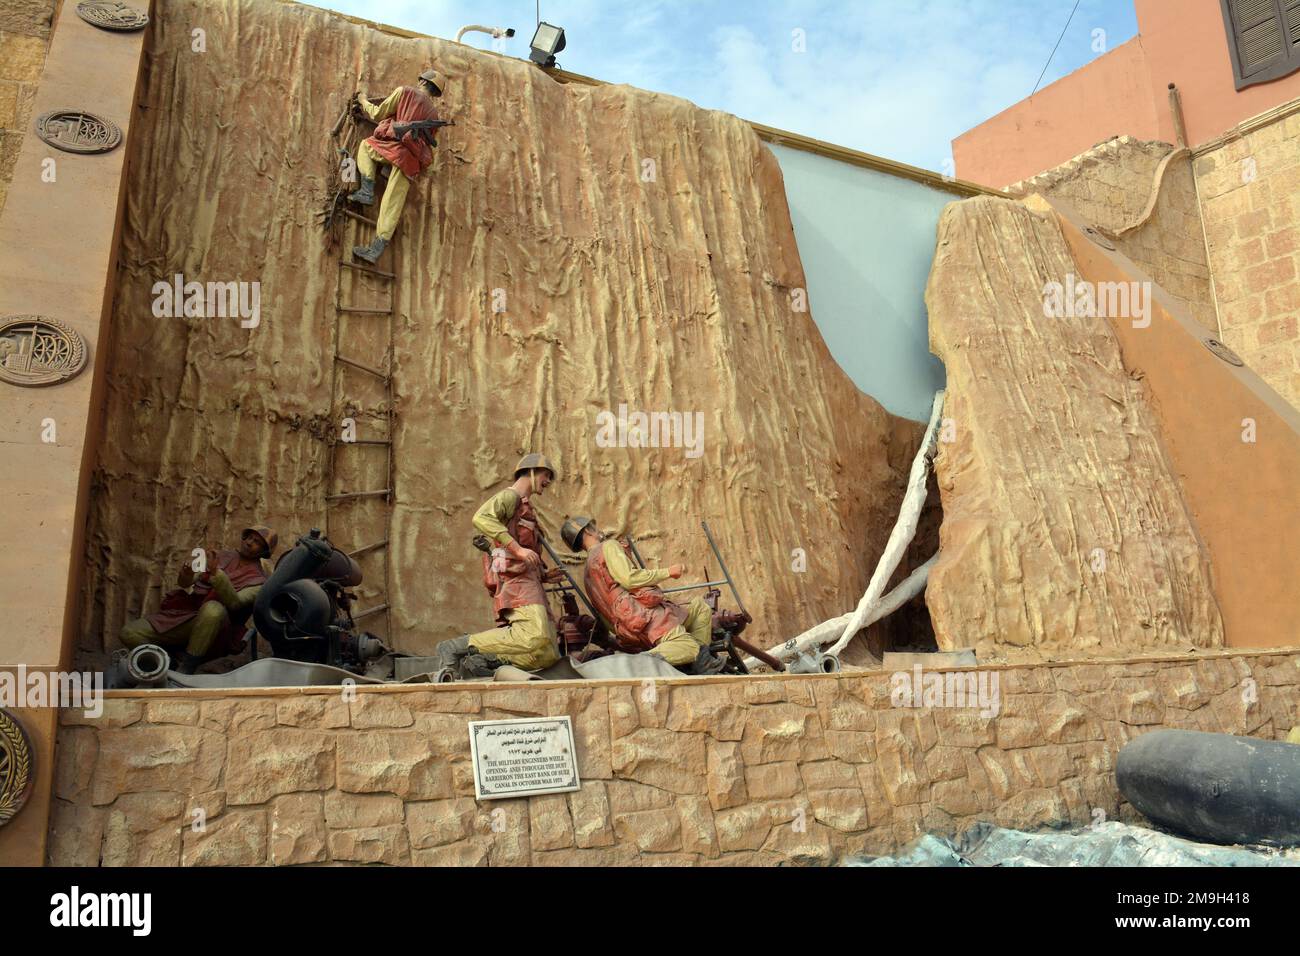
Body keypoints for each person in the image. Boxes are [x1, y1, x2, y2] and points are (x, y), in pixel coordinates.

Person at [436, 454, 565, 677]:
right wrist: (518, 549)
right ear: (531, 471)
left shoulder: (526, 509)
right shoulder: (509, 497)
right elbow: (481, 518)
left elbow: (527, 552)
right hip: (516, 584)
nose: (548, 481)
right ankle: (455, 647)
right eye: (546, 475)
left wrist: (544, 574)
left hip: (531, 581)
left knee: (547, 652)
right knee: (535, 636)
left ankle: (487, 661)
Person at [561, 516, 721, 672]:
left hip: (628, 625)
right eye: (593, 527)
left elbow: (604, 608)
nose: (597, 530)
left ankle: (700, 662)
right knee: (689, 646)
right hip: (645, 616)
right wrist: (668, 572)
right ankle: (636, 663)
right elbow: (629, 579)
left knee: (700, 608)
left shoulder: (588, 572)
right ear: (588, 531)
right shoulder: (608, 546)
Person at [119, 526, 278, 673]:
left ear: (264, 551)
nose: (250, 543)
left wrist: (217, 575)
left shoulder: (259, 581)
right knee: (130, 633)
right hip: (187, 617)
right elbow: (185, 583)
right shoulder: (219, 556)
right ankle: (167, 662)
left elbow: (235, 603)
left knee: (213, 609)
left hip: (218, 630)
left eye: (257, 542)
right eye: (249, 537)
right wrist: (187, 574)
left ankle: (188, 666)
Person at [348, 68, 448, 264]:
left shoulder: (405, 91)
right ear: (435, 92)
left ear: (422, 82)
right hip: (410, 163)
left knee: (366, 146)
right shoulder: (434, 115)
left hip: (390, 148)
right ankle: (374, 252)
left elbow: (378, 113)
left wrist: (362, 101)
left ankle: (366, 190)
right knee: (391, 206)